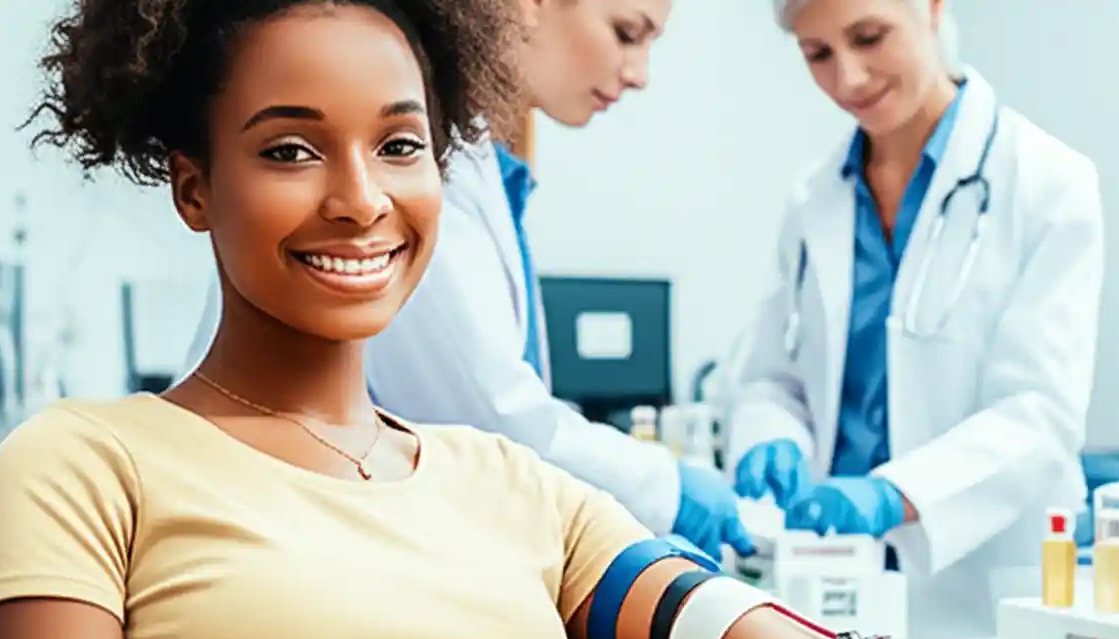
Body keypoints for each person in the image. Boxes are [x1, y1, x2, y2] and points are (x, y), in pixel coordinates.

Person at [0, 2, 1070, 639]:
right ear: (193, 183)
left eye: (400, 144)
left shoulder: (518, 490)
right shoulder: (82, 465)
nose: (360, 200)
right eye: (291, 149)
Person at [179, 0, 757, 562]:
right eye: (627, 32)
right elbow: (492, 420)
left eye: (402, 146)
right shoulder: (430, 184)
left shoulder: (472, 169)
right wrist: (667, 491)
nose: (359, 201)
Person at [723, 0, 1104, 639]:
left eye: (869, 38)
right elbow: (770, 376)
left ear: (930, 10)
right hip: (834, 576)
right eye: (818, 55)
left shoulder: (1049, 183)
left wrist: (892, 495)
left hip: (981, 588)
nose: (848, 78)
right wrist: (770, 433)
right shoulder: (815, 196)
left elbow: (1039, 414)